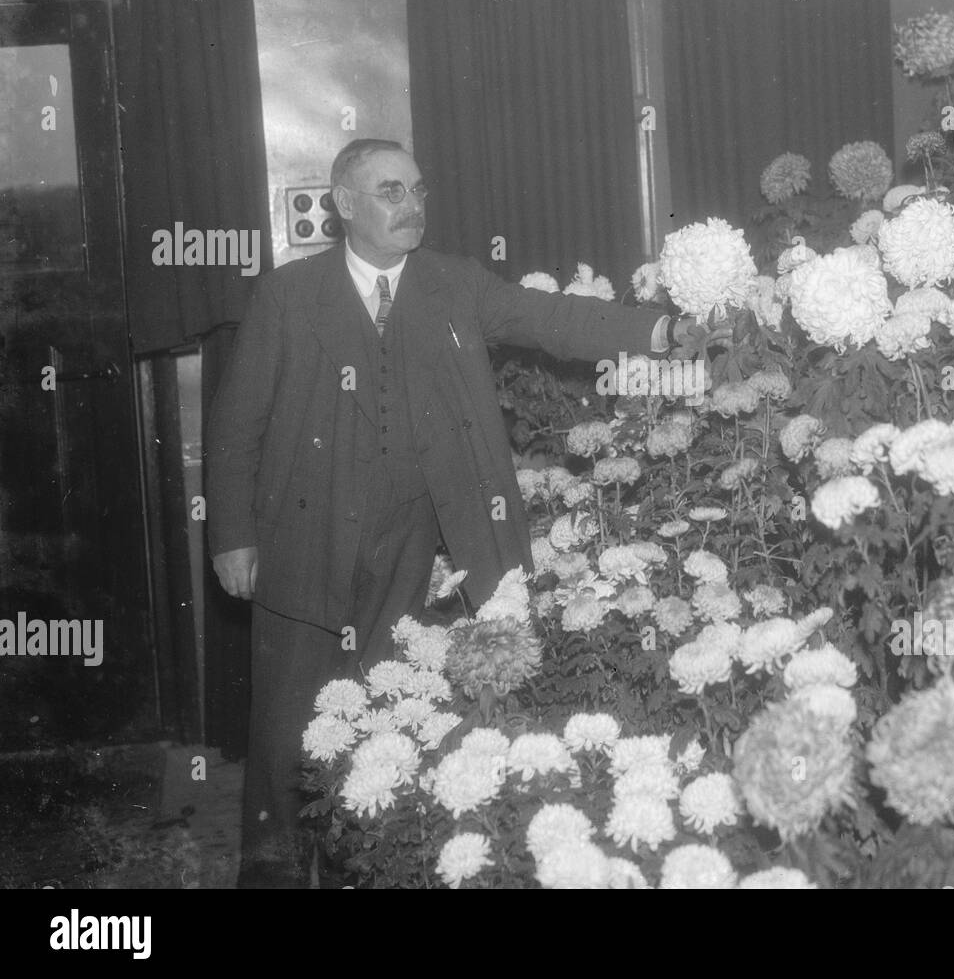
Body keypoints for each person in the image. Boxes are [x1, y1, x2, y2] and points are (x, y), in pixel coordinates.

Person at [206, 138, 698, 887]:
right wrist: (233, 537)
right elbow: (237, 423)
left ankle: (367, 869)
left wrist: (659, 331)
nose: (413, 206)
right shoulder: (288, 295)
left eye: (419, 190)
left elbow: (549, 318)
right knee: (284, 740)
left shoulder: (453, 283)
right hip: (302, 543)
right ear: (344, 205)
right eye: (392, 191)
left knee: (385, 724)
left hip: (415, 544)